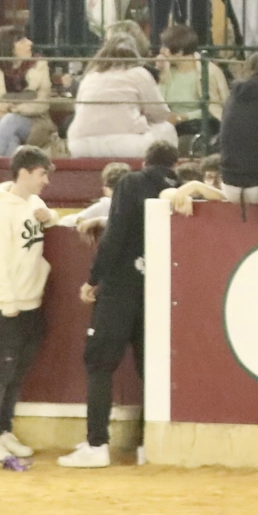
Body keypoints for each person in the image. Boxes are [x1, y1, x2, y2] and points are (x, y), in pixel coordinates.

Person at [63, 135, 175, 469]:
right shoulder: (182, 188)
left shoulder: (132, 183)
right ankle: (146, 445)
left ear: (145, 160)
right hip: (156, 293)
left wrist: (94, 278)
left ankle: (98, 444)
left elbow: (119, 235)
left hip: (119, 290)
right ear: (175, 164)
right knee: (149, 370)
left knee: (99, 363)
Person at [0, 143, 56, 465]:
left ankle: (3, 428)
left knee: (17, 370)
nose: (45, 181)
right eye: (40, 174)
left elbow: (46, 222)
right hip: (6, 305)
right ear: (23, 173)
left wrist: (49, 216)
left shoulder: (33, 202)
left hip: (29, 301)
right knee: (2, 369)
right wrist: (8, 300)